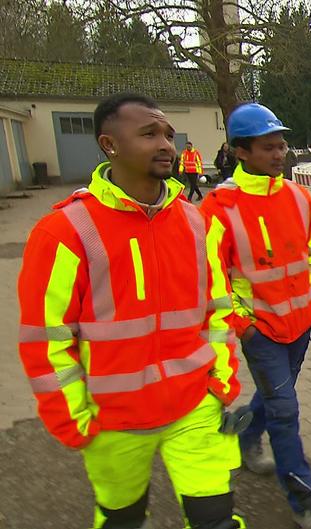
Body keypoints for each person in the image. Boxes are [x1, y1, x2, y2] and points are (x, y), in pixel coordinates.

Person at [17, 92, 247, 528]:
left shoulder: (195, 222)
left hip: (195, 404)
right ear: (110, 144)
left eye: (166, 133)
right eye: (149, 134)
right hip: (112, 419)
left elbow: (218, 310)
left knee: (216, 520)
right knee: (123, 521)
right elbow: (45, 338)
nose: (166, 144)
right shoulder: (64, 231)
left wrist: (220, 380)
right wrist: (73, 418)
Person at [200, 103, 311, 529]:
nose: (280, 154)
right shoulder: (219, 208)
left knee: (276, 399)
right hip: (262, 332)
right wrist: (243, 325)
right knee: (285, 410)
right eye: (268, 147)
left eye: (281, 145)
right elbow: (211, 279)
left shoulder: (298, 197)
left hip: (301, 325)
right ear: (240, 151)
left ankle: (243, 439)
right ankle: (305, 500)